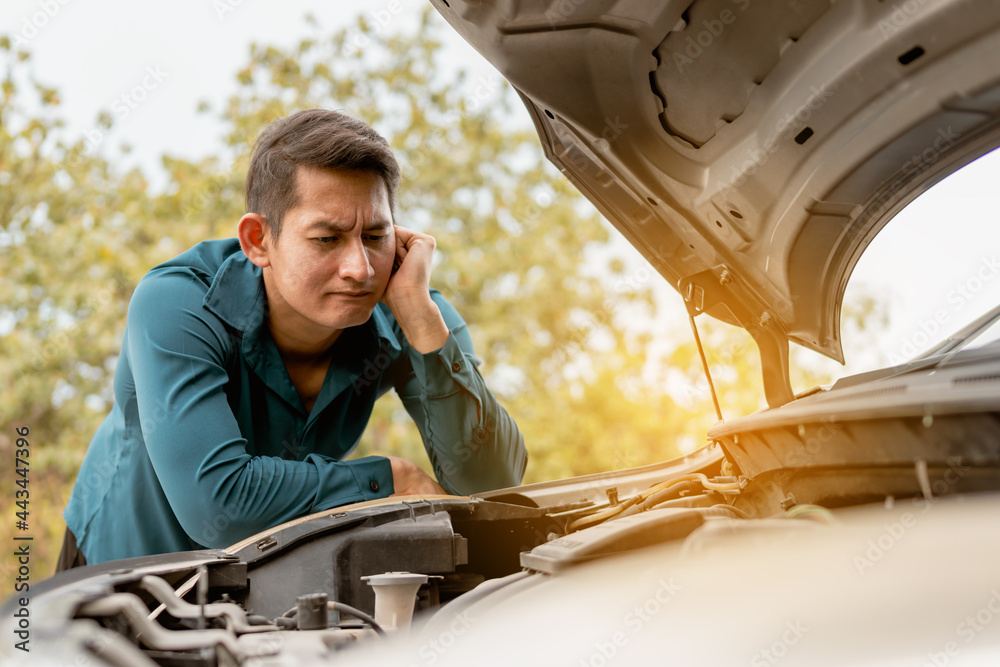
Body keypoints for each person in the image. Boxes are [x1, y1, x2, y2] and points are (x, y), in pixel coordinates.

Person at [58, 109, 527, 568]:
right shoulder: (176, 302)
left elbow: (492, 485)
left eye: (375, 236)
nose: (360, 269)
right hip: (117, 574)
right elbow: (217, 505)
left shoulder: (414, 309)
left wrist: (422, 323)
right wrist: (391, 478)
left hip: (263, 580)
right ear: (258, 240)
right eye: (327, 239)